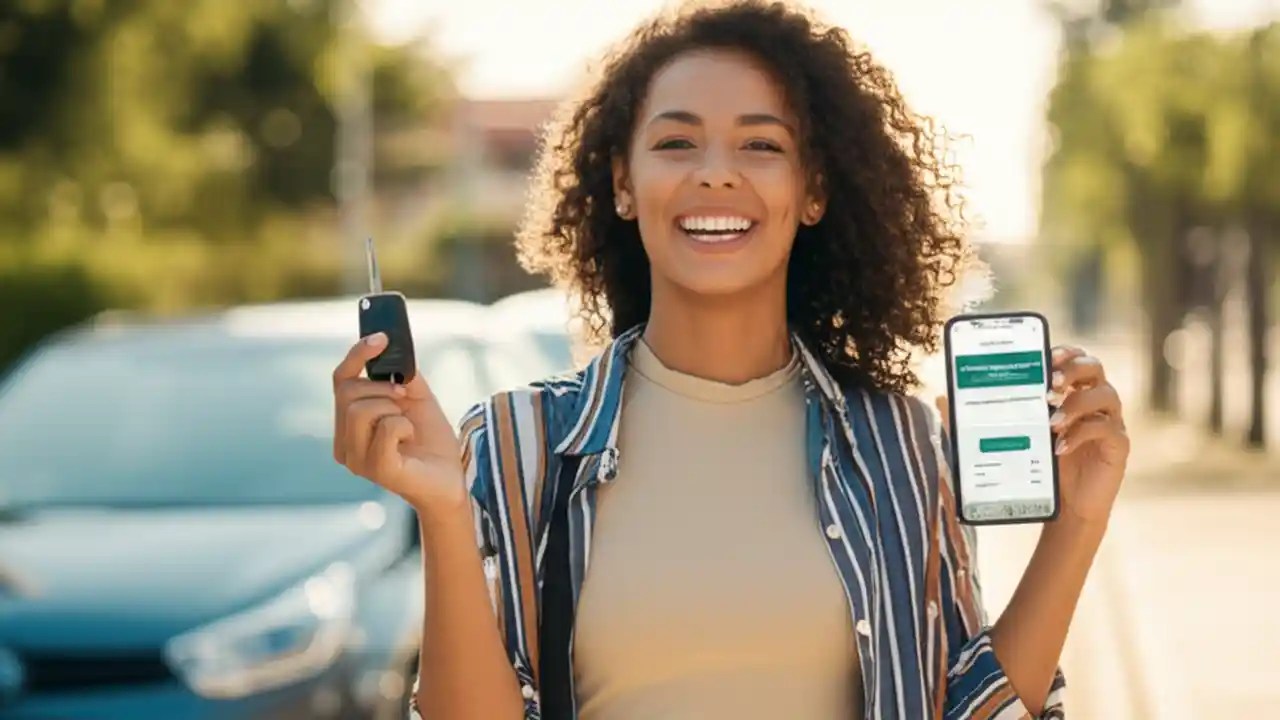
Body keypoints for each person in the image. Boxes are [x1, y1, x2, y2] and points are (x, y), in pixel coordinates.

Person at [331, 2, 1129, 718]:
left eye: (761, 144)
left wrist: (1078, 524)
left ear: (813, 191)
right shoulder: (520, 444)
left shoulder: (903, 445)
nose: (716, 171)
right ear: (623, 184)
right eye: (677, 142)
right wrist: (440, 510)